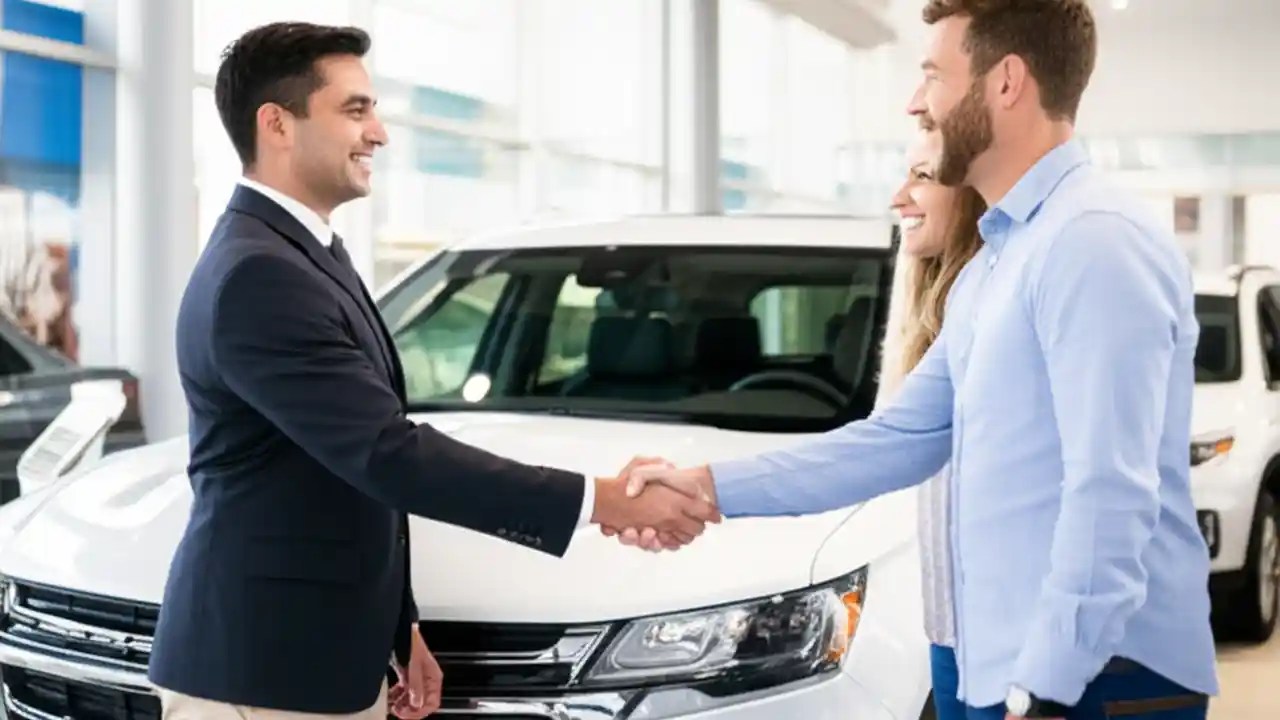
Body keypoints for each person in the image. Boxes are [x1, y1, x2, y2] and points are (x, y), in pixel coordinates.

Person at [614, 1, 1220, 718]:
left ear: (1005, 82)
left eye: (933, 74)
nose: (915, 101)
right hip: (1012, 668)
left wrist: (1049, 690)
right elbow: (896, 440)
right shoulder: (996, 265)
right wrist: (702, 485)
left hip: (1095, 676)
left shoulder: (1093, 241)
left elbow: (1113, 492)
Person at [148, 21, 717, 720]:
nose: (380, 133)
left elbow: (343, 473)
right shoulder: (260, 274)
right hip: (261, 672)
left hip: (320, 656)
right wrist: (606, 499)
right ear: (278, 124)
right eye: (356, 109)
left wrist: (396, 626)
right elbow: (386, 452)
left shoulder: (306, 253)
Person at [883, 130, 985, 720]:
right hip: (946, 630)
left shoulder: (1006, 309)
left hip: (1014, 650)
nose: (899, 197)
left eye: (921, 175)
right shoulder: (929, 325)